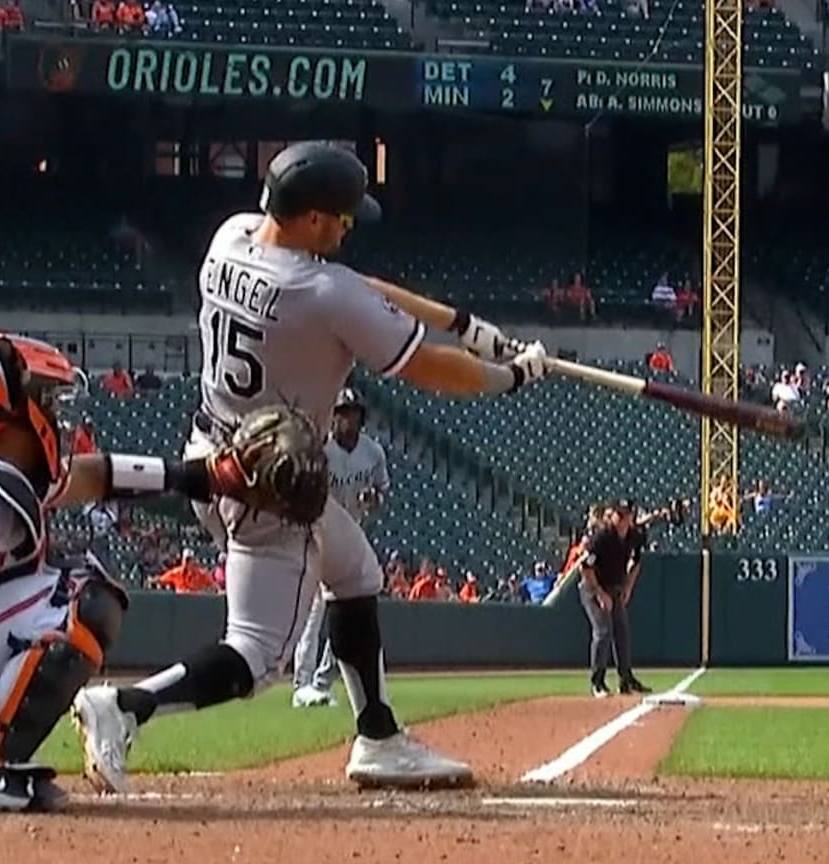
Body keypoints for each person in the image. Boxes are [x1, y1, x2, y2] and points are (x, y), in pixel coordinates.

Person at [71, 140, 548, 793]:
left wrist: (461, 322)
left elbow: (358, 289)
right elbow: (426, 366)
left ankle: (377, 735)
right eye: (342, 216)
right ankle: (126, 708)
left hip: (211, 454)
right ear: (314, 219)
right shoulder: (328, 293)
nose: (350, 225)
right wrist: (509, 375)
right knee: (254, 655)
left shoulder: (232, 235)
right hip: (272, 485)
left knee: (355, 572)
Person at [0, 332, 329, 812]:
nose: (54, 413)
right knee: (83, 594)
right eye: (45, 399)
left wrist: (205, 476)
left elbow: (95, 477)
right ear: (11, 409)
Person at [292, 387, 389, 709]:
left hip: (353, 539)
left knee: (347, 610)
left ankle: (319, 681)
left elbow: (381, 493)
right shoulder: (321, 452)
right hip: (319, 536)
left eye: (351, 413)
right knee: (316, 611)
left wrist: (373, 499)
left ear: (361, 417)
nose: (346, 419)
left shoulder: (373, 453)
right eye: (341, 412)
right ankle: (304, 683)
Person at [578, 500, 652, 698]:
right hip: (592, 588)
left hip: (615, 588)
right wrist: (600, 594)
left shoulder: (633, 536)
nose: (622, 520)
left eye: (626, 515)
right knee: (603, 631)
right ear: (611, 516)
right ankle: (598, 682)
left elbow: (636, 562)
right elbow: (585, 567)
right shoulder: (602, 537)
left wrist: (628, 586)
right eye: (619, 515)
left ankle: (625, 680)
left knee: (621, 631)